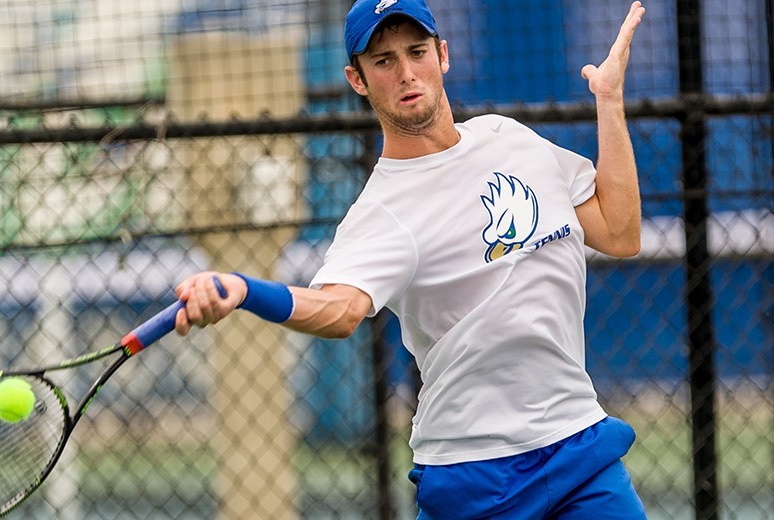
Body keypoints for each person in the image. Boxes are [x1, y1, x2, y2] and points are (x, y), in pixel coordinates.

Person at [174, 0, 647, 517]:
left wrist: (609, 99)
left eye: (417, 52)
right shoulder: (381, 210)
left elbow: (619, 233)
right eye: (383, 61)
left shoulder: (510, 138)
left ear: (442, 55)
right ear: (358, 80)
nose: (405, 73)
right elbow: (338, 311)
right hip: (476, 473)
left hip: (579, 445)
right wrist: (245, 290)